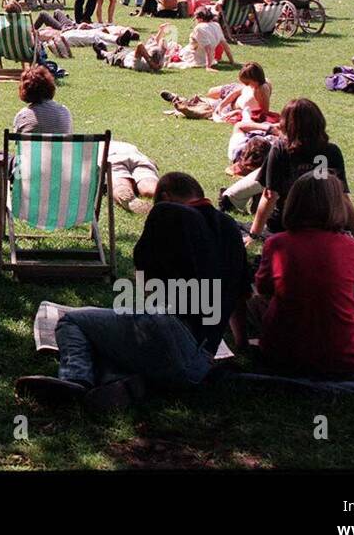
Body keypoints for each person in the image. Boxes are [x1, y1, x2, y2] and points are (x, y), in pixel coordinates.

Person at [15, 171, 249, 409]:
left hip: (169, 333)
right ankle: (122, 383)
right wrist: (241, 345)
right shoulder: (231, 228)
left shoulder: (166, 212)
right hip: (201, 363)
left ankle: (75, 381)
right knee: (114, 340)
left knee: (73, 322)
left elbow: (145, 282)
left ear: (165, 196)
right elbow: (240, 296)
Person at [250, 173, 354, 374]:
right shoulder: (353, 248)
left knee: (256, 299)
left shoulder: (276, 244)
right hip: (347, 357)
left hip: (282, 355)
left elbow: (264, 290)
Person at [247, 98, 354, 245]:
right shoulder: (331, 151)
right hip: (324, 225)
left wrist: (253, 235)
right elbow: (342, 197)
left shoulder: (280, 149)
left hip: (287, 224)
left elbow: (270, 195)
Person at [108, 141, 160, 215]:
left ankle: (128, 198)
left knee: (119, 181)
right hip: (138, 158)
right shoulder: (123, 144)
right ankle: (167, 194)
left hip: (111, 159)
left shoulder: (93, 145)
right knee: (148, 183)